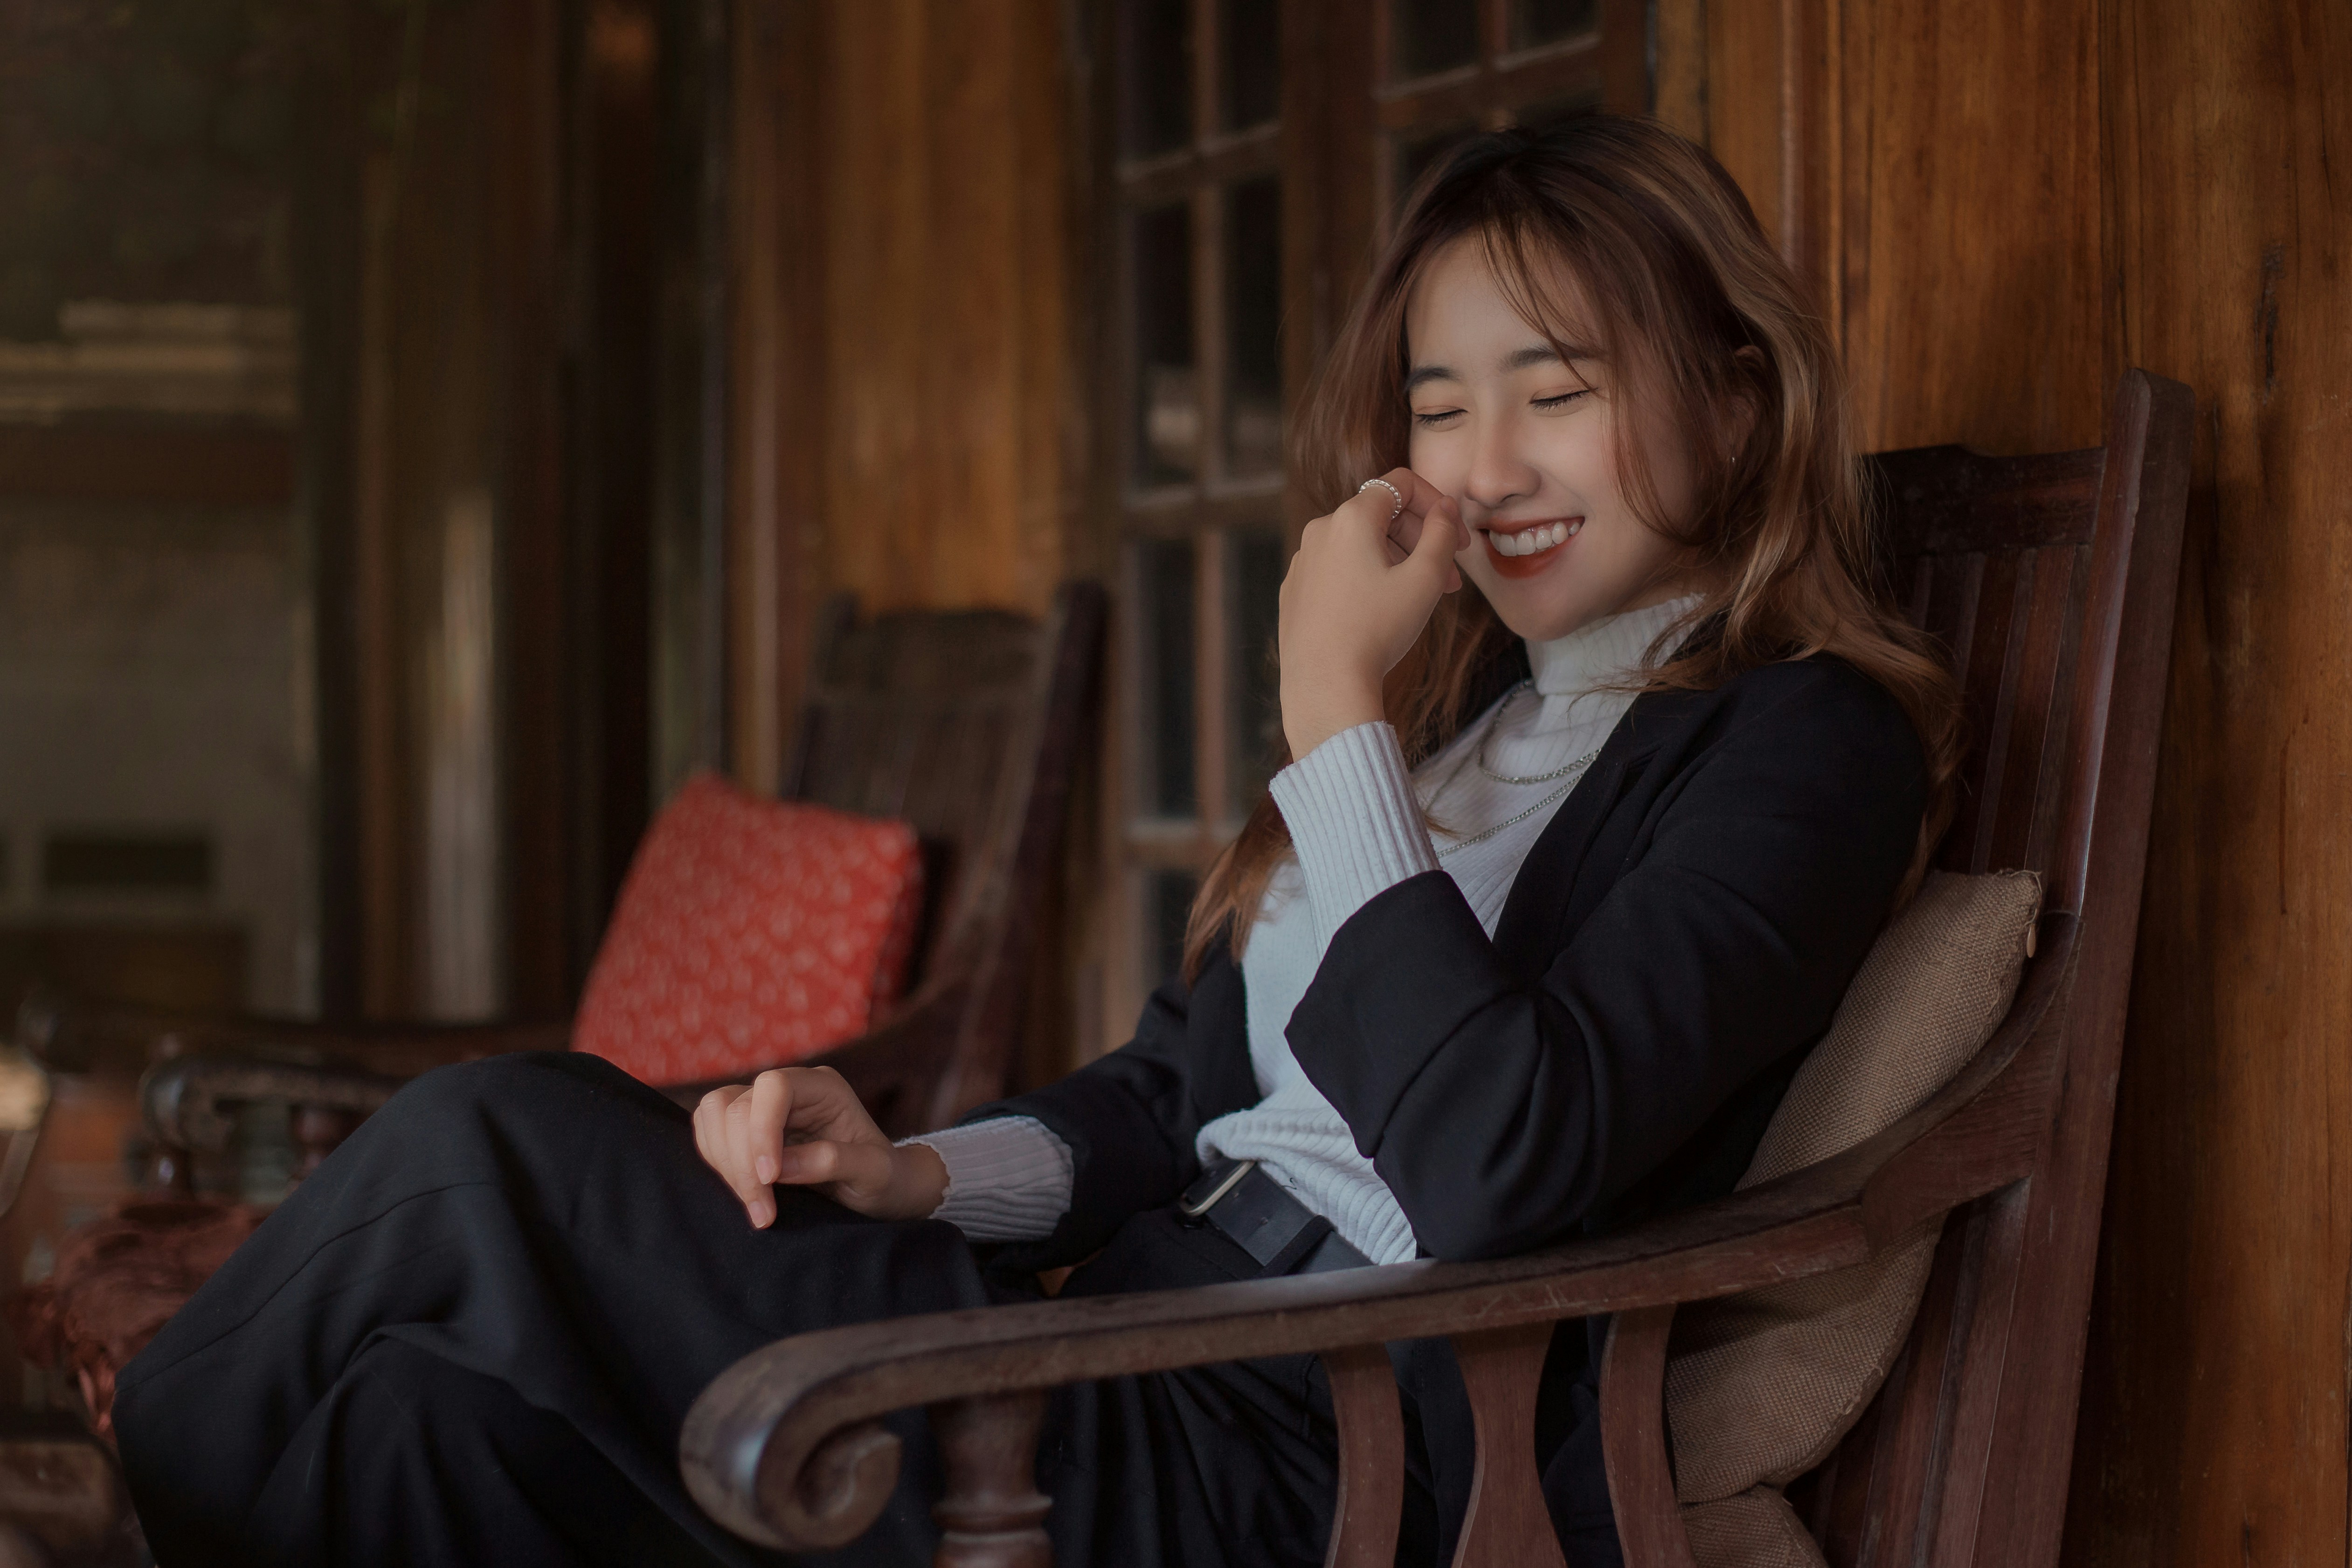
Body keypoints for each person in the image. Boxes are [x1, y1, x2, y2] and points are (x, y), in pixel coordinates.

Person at [113, 114, 1958, 1568]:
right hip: (1099, 1342)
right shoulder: (1482, 734)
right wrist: (917, 1175)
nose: (1483, 465)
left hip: (1291, 1458)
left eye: (1555, 389)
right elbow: (1173, 1099)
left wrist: (1335, 724)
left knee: (487, 1144)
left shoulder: (1795, 746)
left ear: (1732, 388)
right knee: (421, 1438)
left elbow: (1494, 1164)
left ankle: (138, 1484)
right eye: (1437, 400)